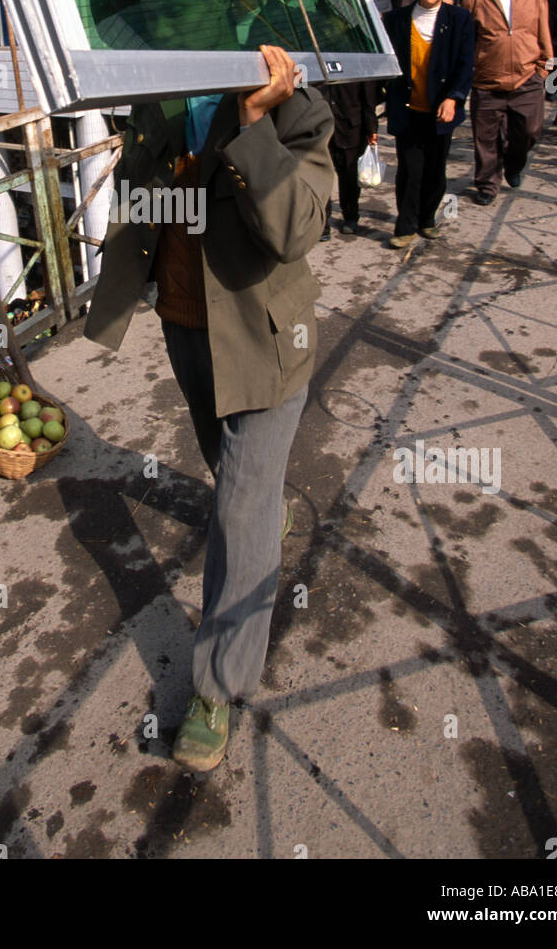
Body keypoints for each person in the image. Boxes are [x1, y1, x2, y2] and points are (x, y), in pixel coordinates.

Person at [85, 44, 334, 772]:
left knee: (239, 507)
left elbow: (295, 230)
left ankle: (218, 685)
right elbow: (140, 197)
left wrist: (253, 126)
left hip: (266, 341)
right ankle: (263, 511)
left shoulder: (297, 111)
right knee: (229, 472)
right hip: (186, 326)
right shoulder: (159, 93)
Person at [381, 0, 475, 249]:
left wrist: (454, 98)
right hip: (407, 109)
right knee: (409, 169)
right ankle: (405, 224)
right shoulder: (396, 20)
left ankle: (427, 219)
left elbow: (465, 64)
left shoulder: (459, 20)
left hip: (441, 110)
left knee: (435, 169)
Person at [466, 0, 552, 205]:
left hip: (527, 79)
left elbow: (544, 35)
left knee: (529, 131)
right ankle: (487, 184)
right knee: (486, 138)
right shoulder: (474, 0)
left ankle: (514, 164)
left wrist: (544, 71)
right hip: (487, 82)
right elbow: (467, 43)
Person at [318, 80, 378, 238]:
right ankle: (322, 225)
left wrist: (371, 128)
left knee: (349, 177)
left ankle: (351, 216)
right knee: (320, 178)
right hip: (321, 130)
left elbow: (368, 98)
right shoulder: (312, 60)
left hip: (351, 129)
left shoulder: (355, 59)